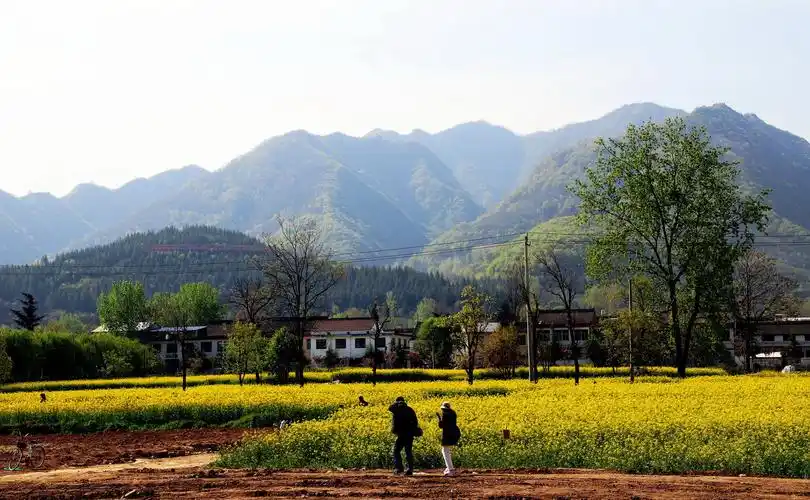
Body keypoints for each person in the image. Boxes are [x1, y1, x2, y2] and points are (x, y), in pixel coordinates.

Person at [389, 396, 419, 476]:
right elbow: (416, 422)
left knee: (396, 450)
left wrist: (396, 403)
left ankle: (399, 468)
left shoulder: (396, 410)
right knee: (408, 451)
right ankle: (410, 469)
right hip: (409, 434)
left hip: (401, 434)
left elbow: (390, 408)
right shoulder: (410, 409)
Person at [437, 401, 460, 477]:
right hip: (454, 433)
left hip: (447, 434)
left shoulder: (445, 414)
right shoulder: (453, 413)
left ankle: (451, 469)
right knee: (446, 451)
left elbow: (442, 426)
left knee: (445, 451)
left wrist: (439, 419)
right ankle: (449, 467)